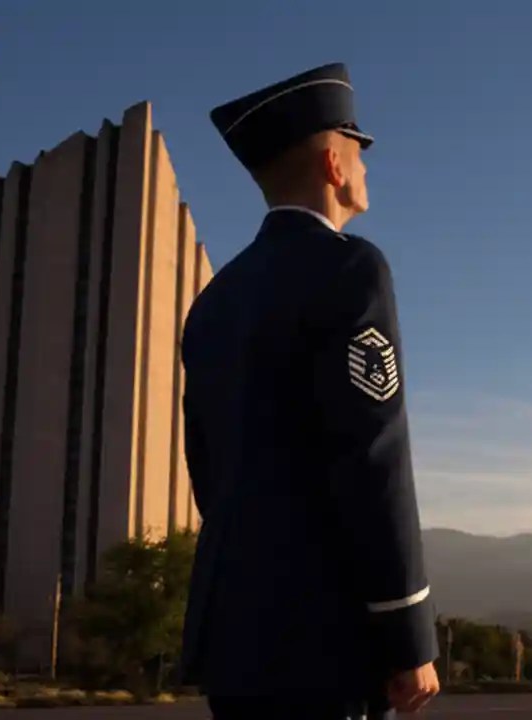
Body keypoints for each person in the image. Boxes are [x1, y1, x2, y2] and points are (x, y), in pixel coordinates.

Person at [179, 62, 440, 719]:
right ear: (332, 163)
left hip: (237, 638)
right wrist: (407, 630)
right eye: (359, 151)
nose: (366, 167)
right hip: (326, 643)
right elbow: (372, 458)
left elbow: (210, 475)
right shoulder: (350, 268)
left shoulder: (213, 303)